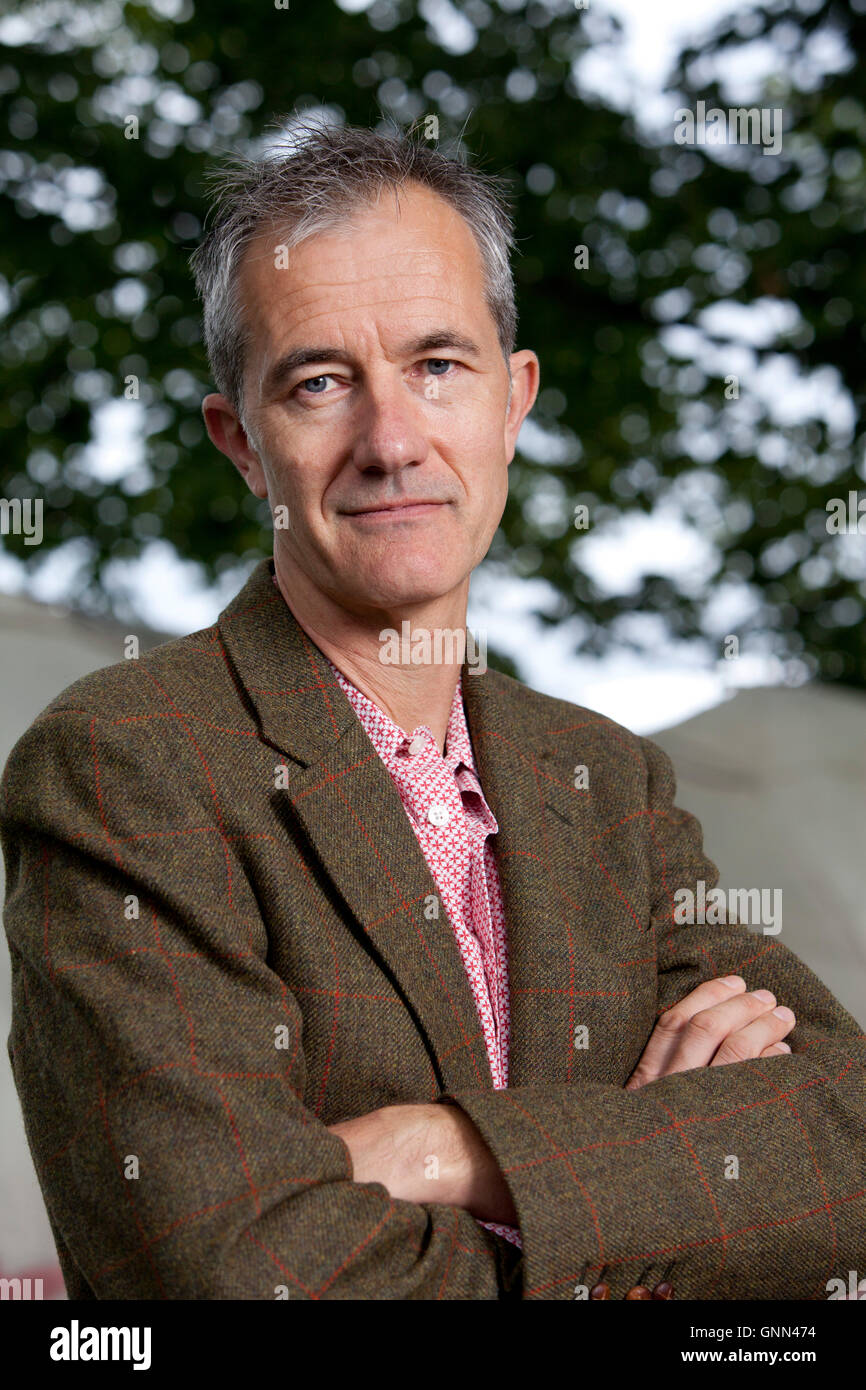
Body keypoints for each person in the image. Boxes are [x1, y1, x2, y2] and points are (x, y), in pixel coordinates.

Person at [2, 121, 863, 1300]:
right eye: (318, 383)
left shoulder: (602, 776)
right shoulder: (123, 764)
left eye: (437, 366)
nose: (391, 440)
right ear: (242, 444)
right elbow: (227, 1271)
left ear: (512, 402)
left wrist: (441, 1148)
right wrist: (640, 1210)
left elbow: (843, 1145)